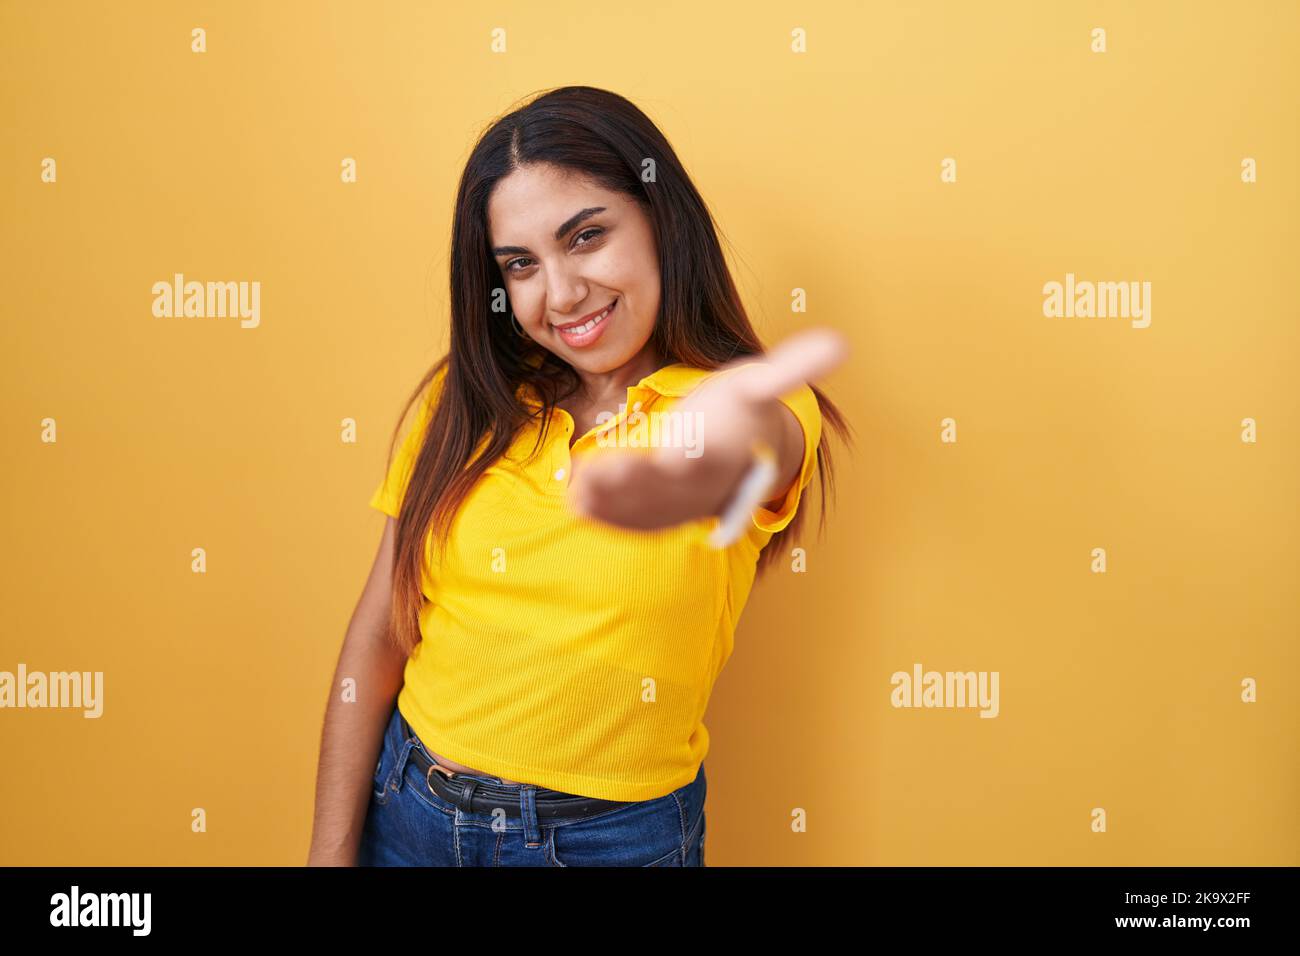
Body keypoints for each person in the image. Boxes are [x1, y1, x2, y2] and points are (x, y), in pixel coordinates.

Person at [308, 85, 851, 867]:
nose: (561, 294)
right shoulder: (466, 403)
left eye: (587, 236)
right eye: (522, 264)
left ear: (661, 219)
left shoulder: (756, 406)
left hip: (609, 843)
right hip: (409, 810)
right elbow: (378, 635)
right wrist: (329, 855)